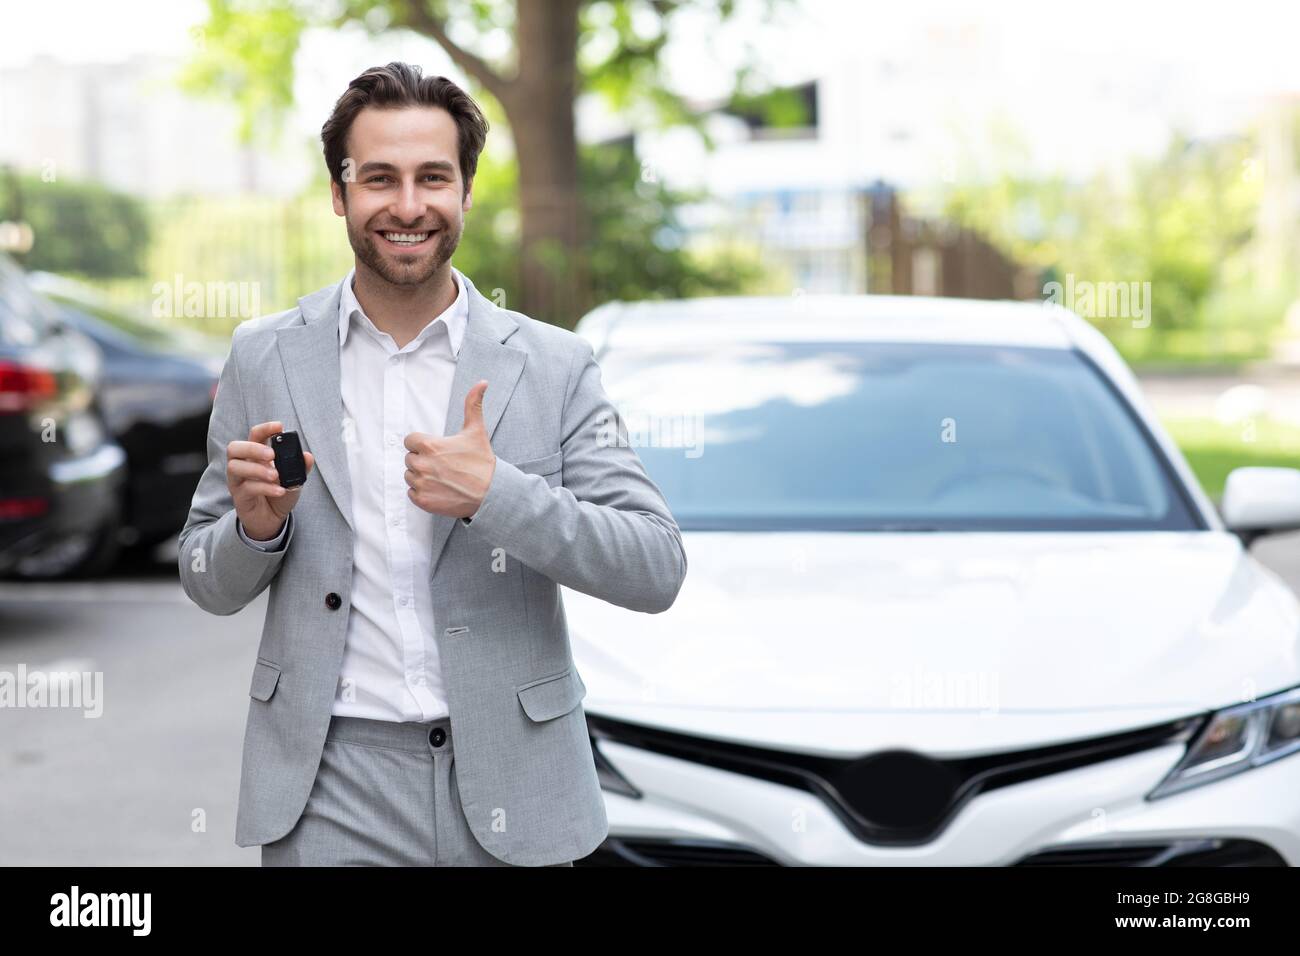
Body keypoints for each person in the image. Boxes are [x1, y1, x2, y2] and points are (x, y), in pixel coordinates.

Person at [177, 61, 687, 866]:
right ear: (340, 194)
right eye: (379, 178)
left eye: (432, 178)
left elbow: (654, 567)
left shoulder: (554, 366)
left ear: (467, 192)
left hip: (519, 783)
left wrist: (498, 496)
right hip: (329, 786)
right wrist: (254, 532)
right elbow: (205, 578)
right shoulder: (264, 356)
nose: (408, 206)